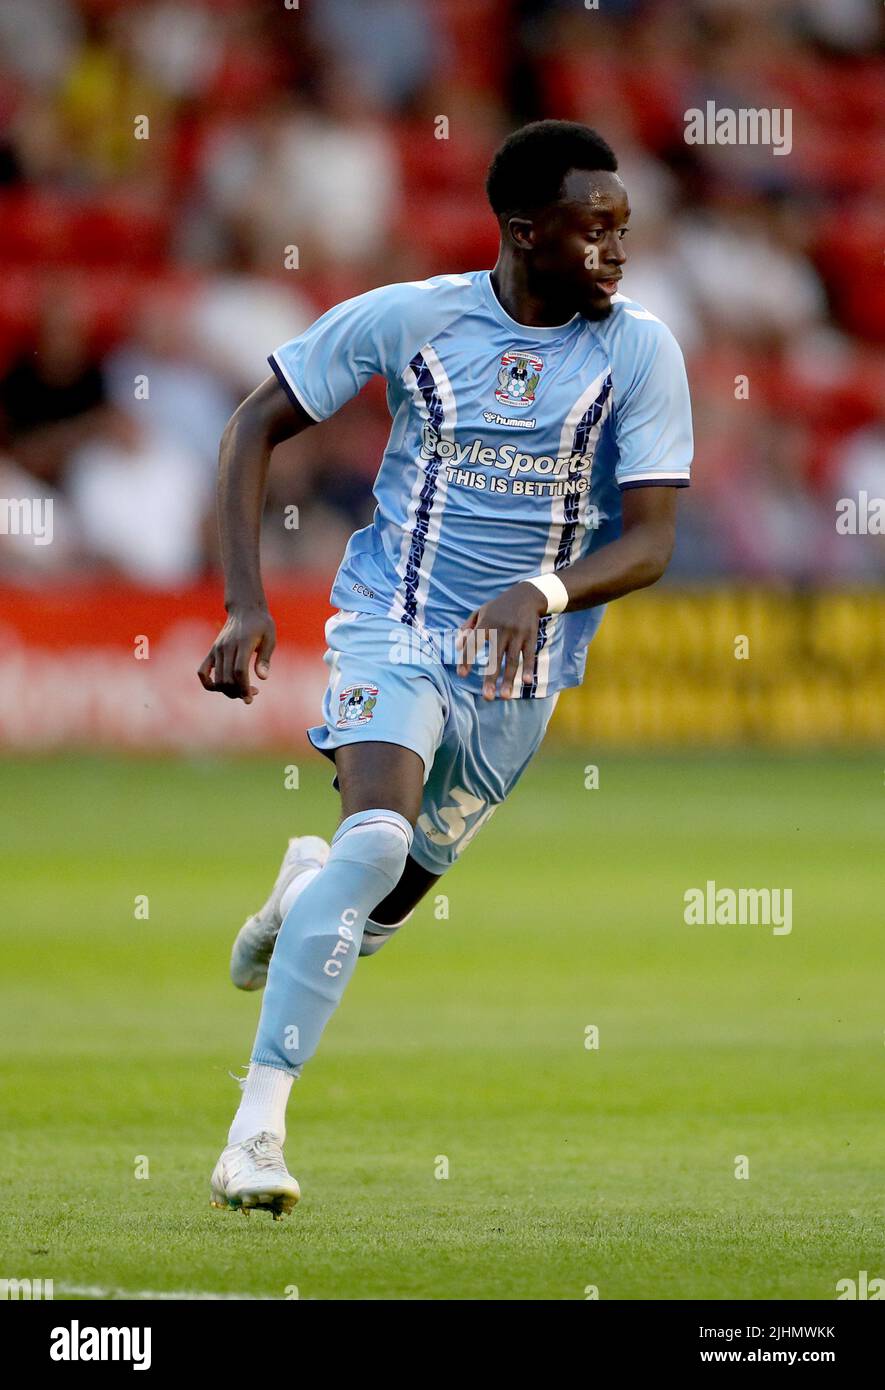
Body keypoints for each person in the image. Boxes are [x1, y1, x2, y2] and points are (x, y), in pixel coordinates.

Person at [198, 120, 693, 1218]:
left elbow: (652, 540)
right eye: (594, 227)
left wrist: (547, 592)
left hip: (521, 673)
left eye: (624, 227)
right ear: (526, 231)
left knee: (369, 914)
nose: (617, 248)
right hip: (395, 625)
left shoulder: (641, 352)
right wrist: (245, 600)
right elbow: (253, 423)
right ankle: (255, 1133)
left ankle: (301, 887)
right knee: (372, 843)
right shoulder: (415, 316)